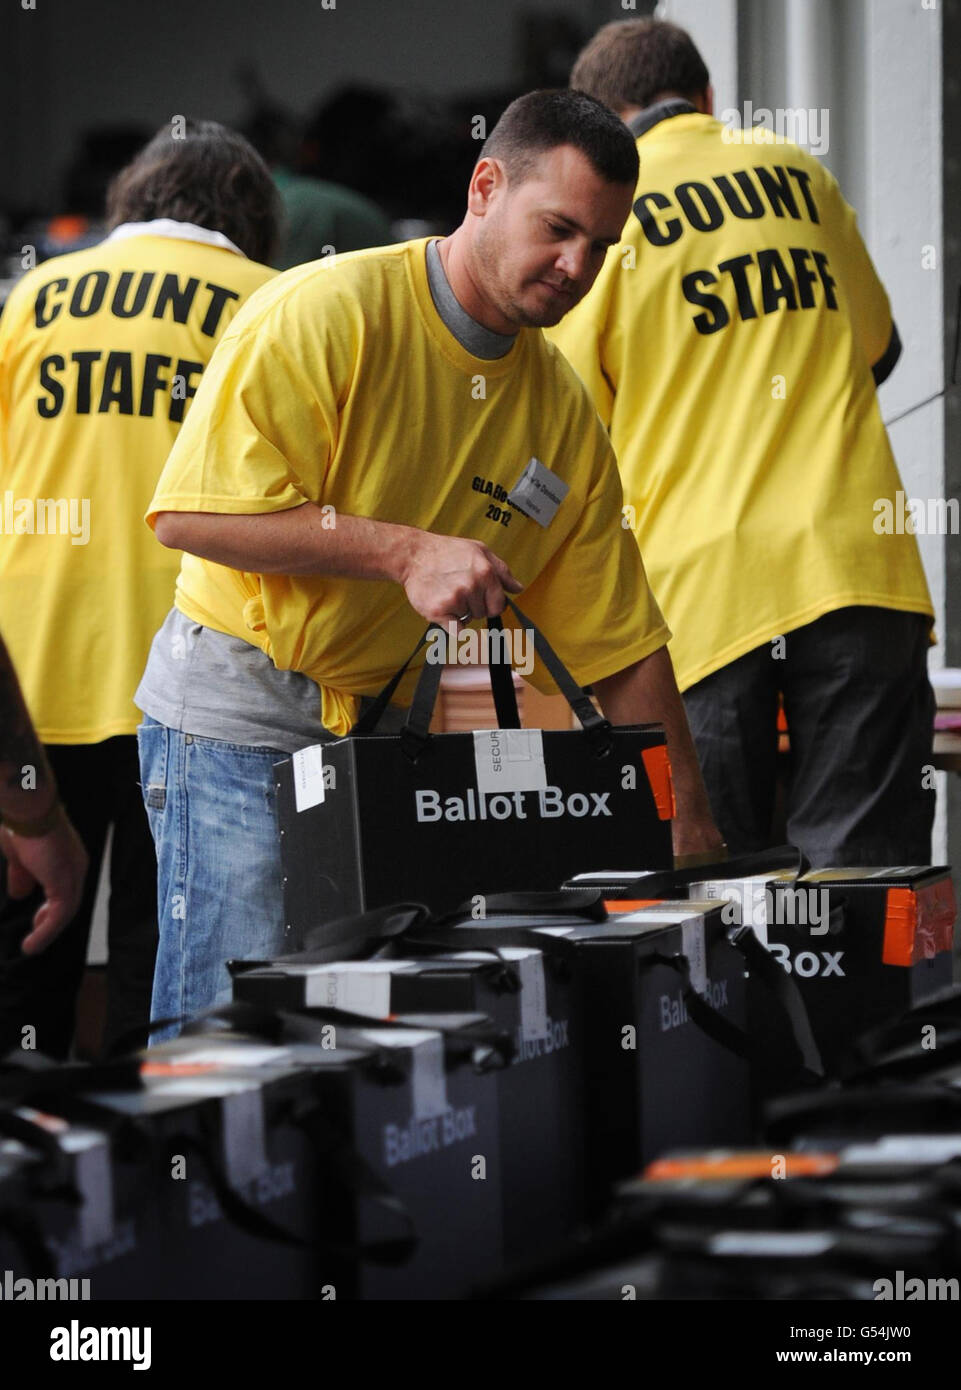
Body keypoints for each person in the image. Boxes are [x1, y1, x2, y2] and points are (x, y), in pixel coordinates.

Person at [135, 89, 724, 1036]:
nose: (577, 267)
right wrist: (401, 549)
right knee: (228, 1031)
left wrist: (688, 834)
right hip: (243, 711)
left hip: (382, 740)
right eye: (558, 229)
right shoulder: (327, 312)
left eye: (601, 247)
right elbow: (190, 515)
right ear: (485, 186)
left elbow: (621, 646)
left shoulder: (559, 410)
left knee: (359, 1036)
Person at [547, 20, 935, 866]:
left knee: (705, 878)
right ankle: (864, 1000)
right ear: (707, 97)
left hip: (702, 594)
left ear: (597, 120)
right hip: (857, 567)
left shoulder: (604, 210)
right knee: (865, 878)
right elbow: (878, 349)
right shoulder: (798, 172)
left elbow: (562, 419)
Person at [0, 119, 280, 1059]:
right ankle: (152, 1173)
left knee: (27, 944)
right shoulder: (273, 300)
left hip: (33, 674)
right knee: (161, 967)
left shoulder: (34, 294)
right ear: (252, 219)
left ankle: (30, 1177)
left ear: (132, 201)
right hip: (198, 673)